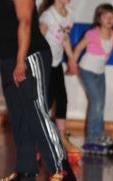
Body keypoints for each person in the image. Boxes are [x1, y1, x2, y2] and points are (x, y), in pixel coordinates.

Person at [0, 0, 80, 181]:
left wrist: (21, 60)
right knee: (19, 117)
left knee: (37, 113)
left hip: (28, 55)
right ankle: (24, 175)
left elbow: (25, 21)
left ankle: (63, 172)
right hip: (7, 58)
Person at [72, 3, 113, 153]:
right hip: (87, 70)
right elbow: (78, 48)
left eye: (112, 17)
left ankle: (99, 135)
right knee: (96, 102)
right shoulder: (92, 33)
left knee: (100, 104)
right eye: (106, 16)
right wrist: (72, 64)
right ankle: (91, 139)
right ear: (99, 18)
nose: (109, 19)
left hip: (100, 72)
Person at [39, 0, 81, 158]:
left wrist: (71, 60)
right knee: (47, 100)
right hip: (45, 63)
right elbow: (39, 40)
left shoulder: (69, 16)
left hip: (56, 63)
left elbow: (64, 39)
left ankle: (62, 137)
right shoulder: (48, 15)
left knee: (62, 98)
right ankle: (39, 138)